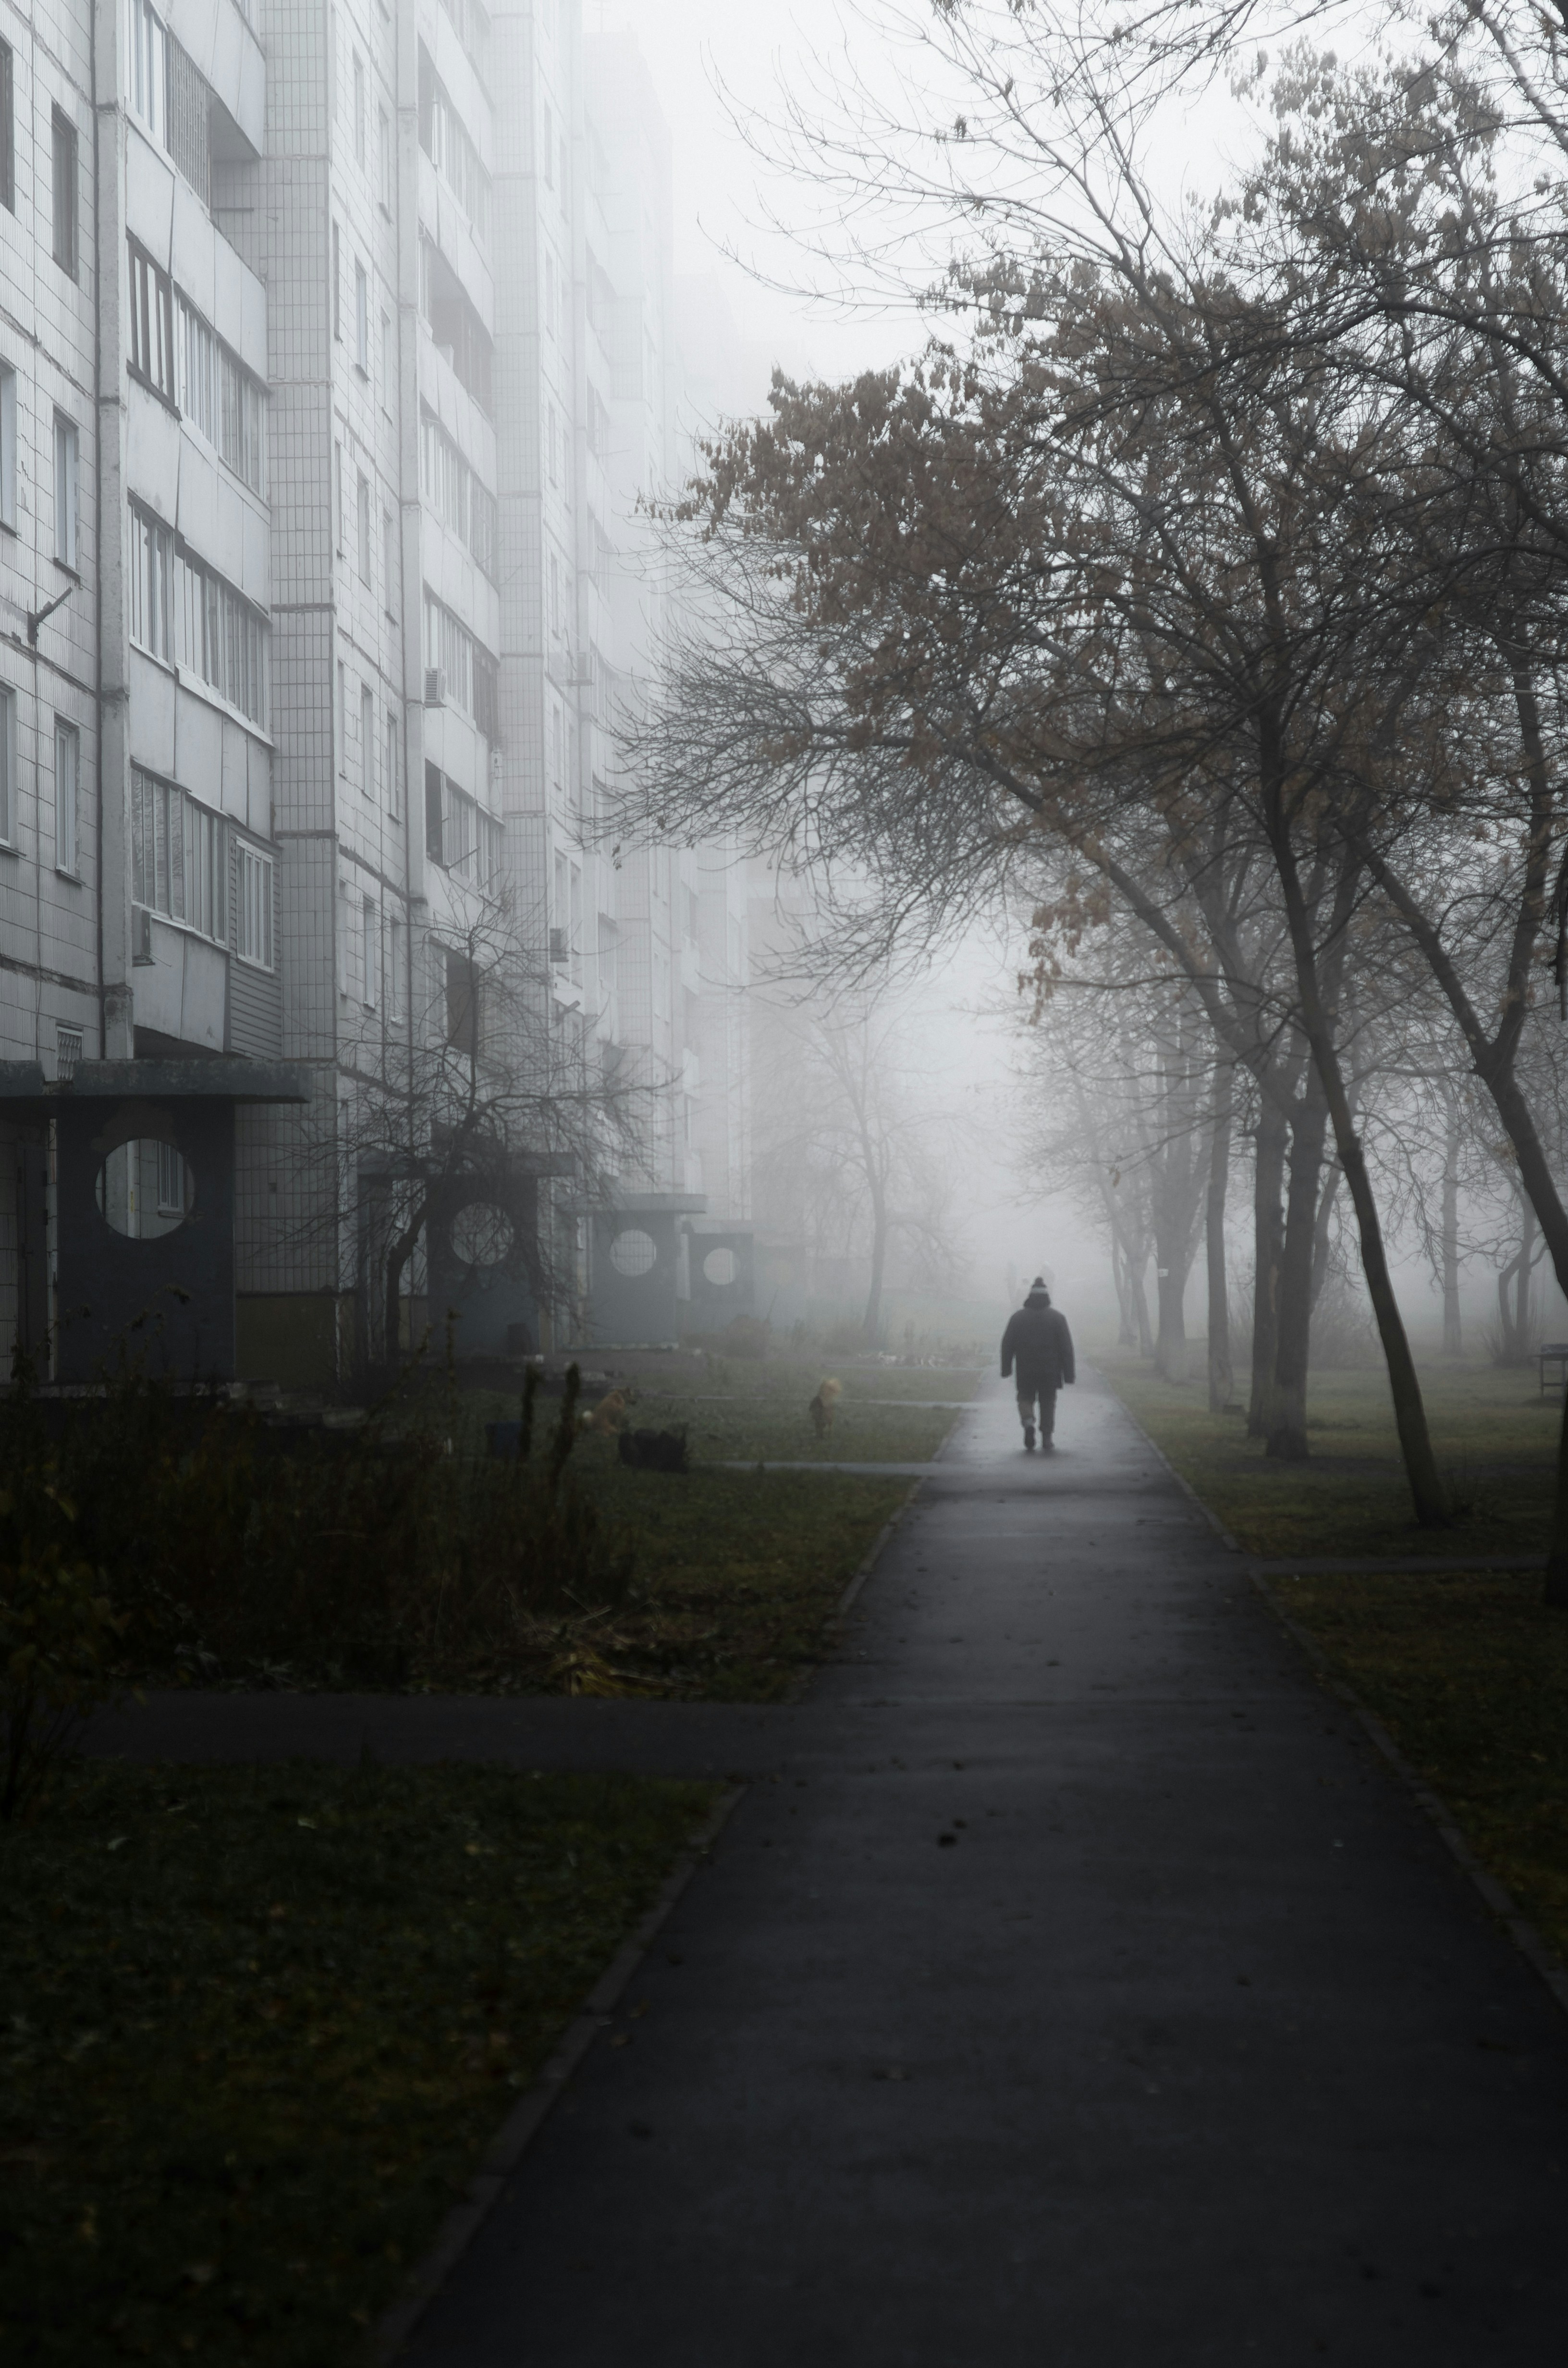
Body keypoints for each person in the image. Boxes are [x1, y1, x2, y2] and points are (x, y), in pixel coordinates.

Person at [1000, 1277, 1076, 1452]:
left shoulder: (1018, 1318)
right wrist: (1069, 1375)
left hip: (1026, 1370)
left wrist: (1006, 1369)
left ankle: (1028, 1423)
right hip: (1050, 1371)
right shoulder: (1058, 1318)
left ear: (1029, 1297)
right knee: (1048, 1402)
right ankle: (1047, 1438)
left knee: (1025, 1398)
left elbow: (1007, 1345)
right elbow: (1066, 1348)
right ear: (1047, 1297)